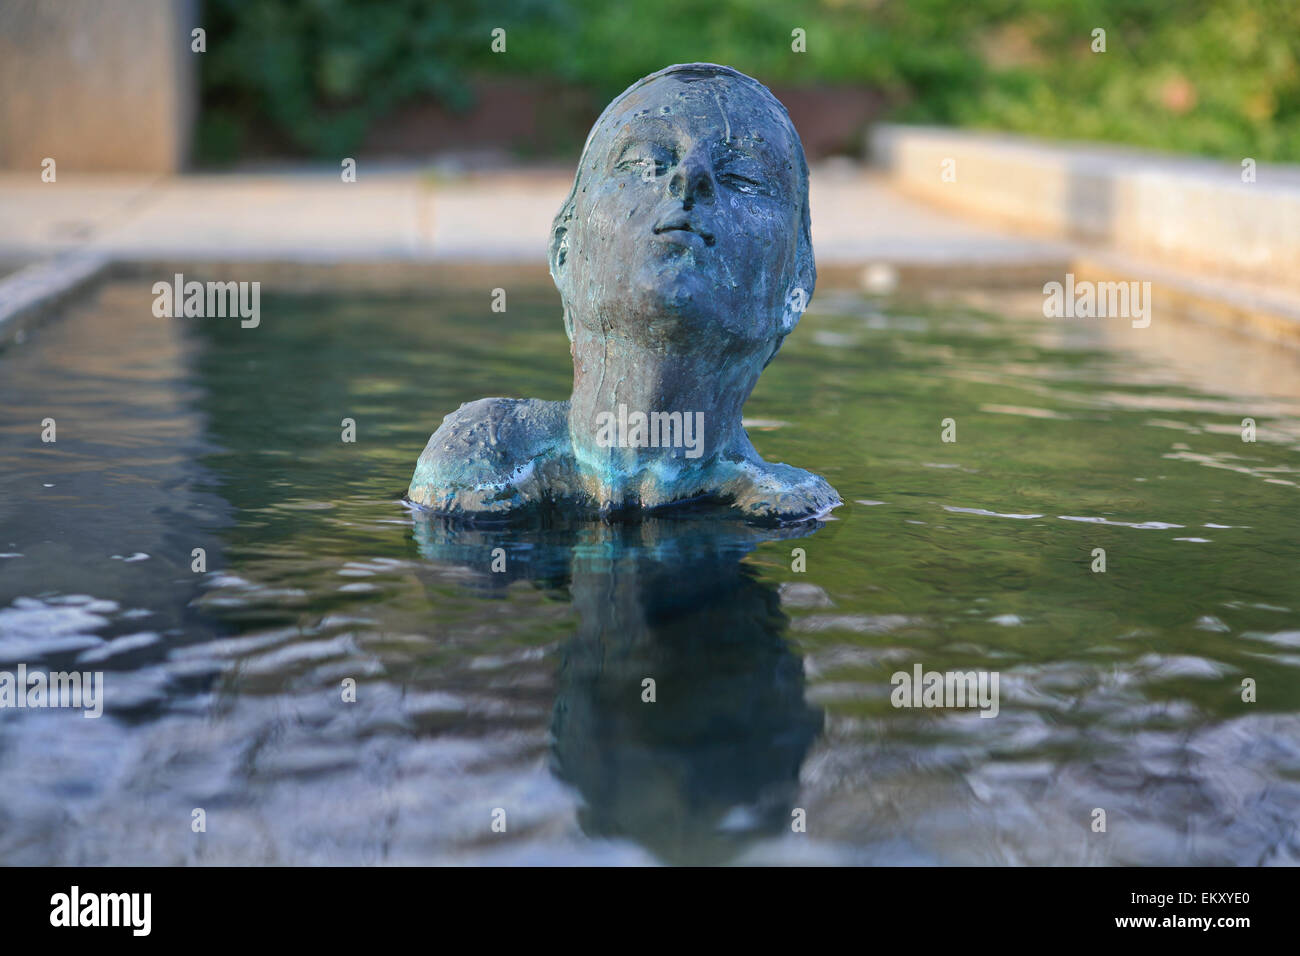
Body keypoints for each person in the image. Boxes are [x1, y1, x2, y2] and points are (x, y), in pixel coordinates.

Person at [407, 63, 839, 522]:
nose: (691, 176)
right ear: (564, 251)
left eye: (744, 177)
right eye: (645, 162)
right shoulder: (481, 460)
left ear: (796, 286)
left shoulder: (787, 510)